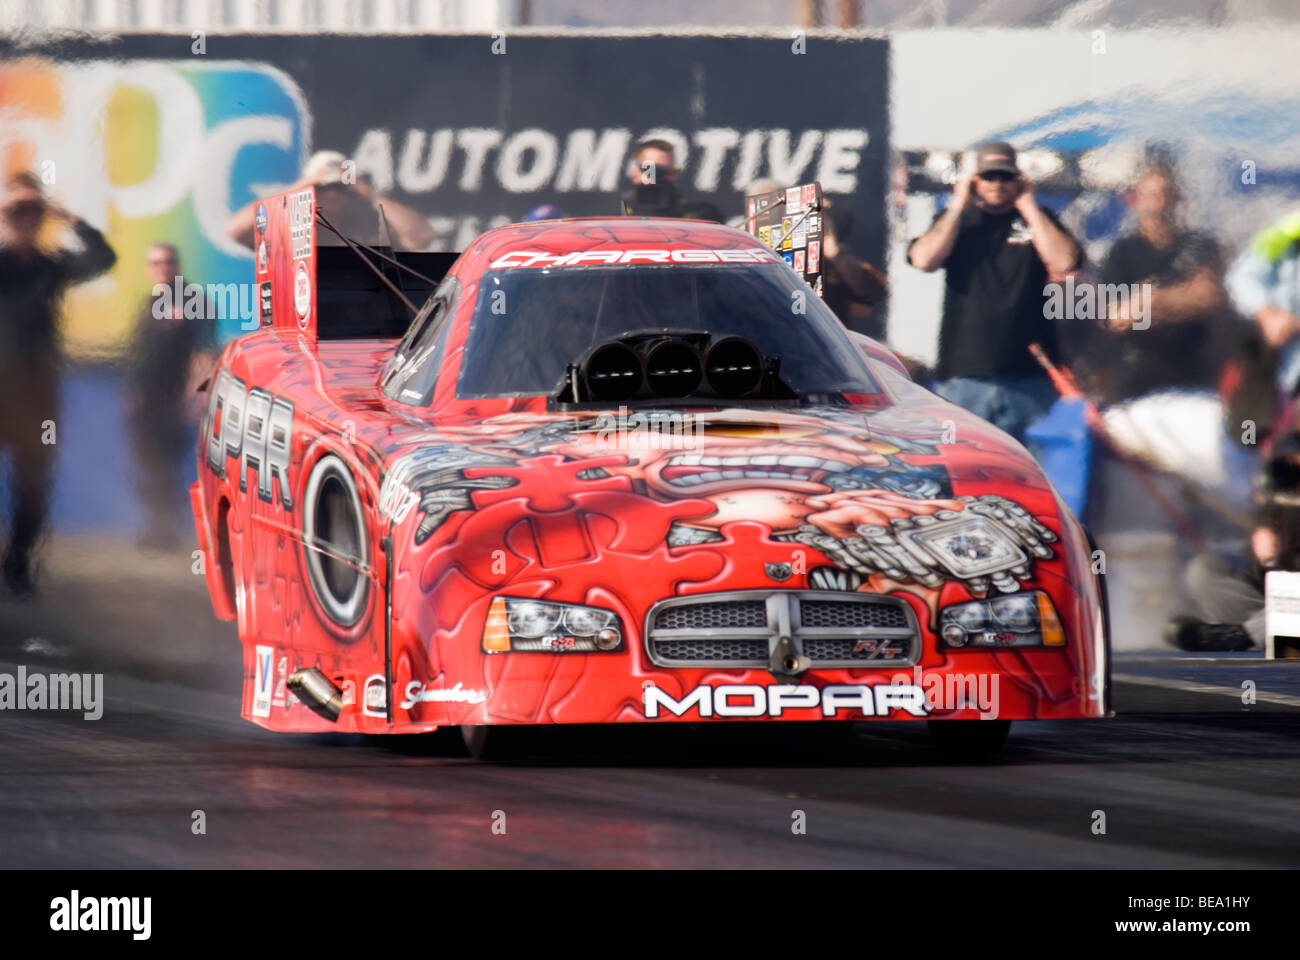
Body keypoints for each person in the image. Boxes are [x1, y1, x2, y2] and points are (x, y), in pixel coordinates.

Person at [1084, 162, 1250, 499]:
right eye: (1151, 193)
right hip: (1135, 392)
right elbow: (1118, 317)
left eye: (1166, 193)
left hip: (1195, 386)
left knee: (1215, 484)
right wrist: (1177, 298)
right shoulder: (1122, 253)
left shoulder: (1199, 245)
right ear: (1134, 199)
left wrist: (1151, 297)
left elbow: (1209, 297)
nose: (1159, 201)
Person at [908, 141, 1082, 444]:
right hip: (964, 375)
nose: (997, 184)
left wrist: (1028, 206)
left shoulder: (1039, 220)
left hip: (1030, 378)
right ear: (975, 180)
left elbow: (1064, 262)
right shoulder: (955, 222)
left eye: (1005, 177)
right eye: (989, 177)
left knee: (1031, 476)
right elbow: (924, 259)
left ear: (1018, 179)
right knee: (966, 470)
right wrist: (958, 204)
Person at [0, 172, 116, 595]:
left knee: (34, 484)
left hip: (37, 393)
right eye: (17, 211)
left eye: (33, 212)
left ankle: (18, 565)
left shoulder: (51, 268)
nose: (25, 220)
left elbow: (104, 258)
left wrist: (65, 216)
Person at [1168, 429, 1300, 652]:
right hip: (1278, 600)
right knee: (1205, 570)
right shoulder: (1273, 504)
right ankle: (1267, 628)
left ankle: (1243, 636)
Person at [126, 243, 217, 550]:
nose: (162, 268)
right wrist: (132, 394)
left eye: (167, 262)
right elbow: (139, 355)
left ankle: (167, 530)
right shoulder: (149, 304)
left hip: (174, 398)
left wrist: (194, 395)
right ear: (149, 269)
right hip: (146, 401)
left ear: (177, 266)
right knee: (147, 463)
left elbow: (204, 351)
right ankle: (155, 525)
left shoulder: (194, 301)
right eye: (156, 263)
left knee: (166, 464)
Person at [227, 150, 434, 251]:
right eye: (323, 188)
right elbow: (236, 231)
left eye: (339, 188)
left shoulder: (369, 222)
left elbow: (421, 236)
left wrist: (368, 194)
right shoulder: (289, 225)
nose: (332, 194)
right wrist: (299, 187)